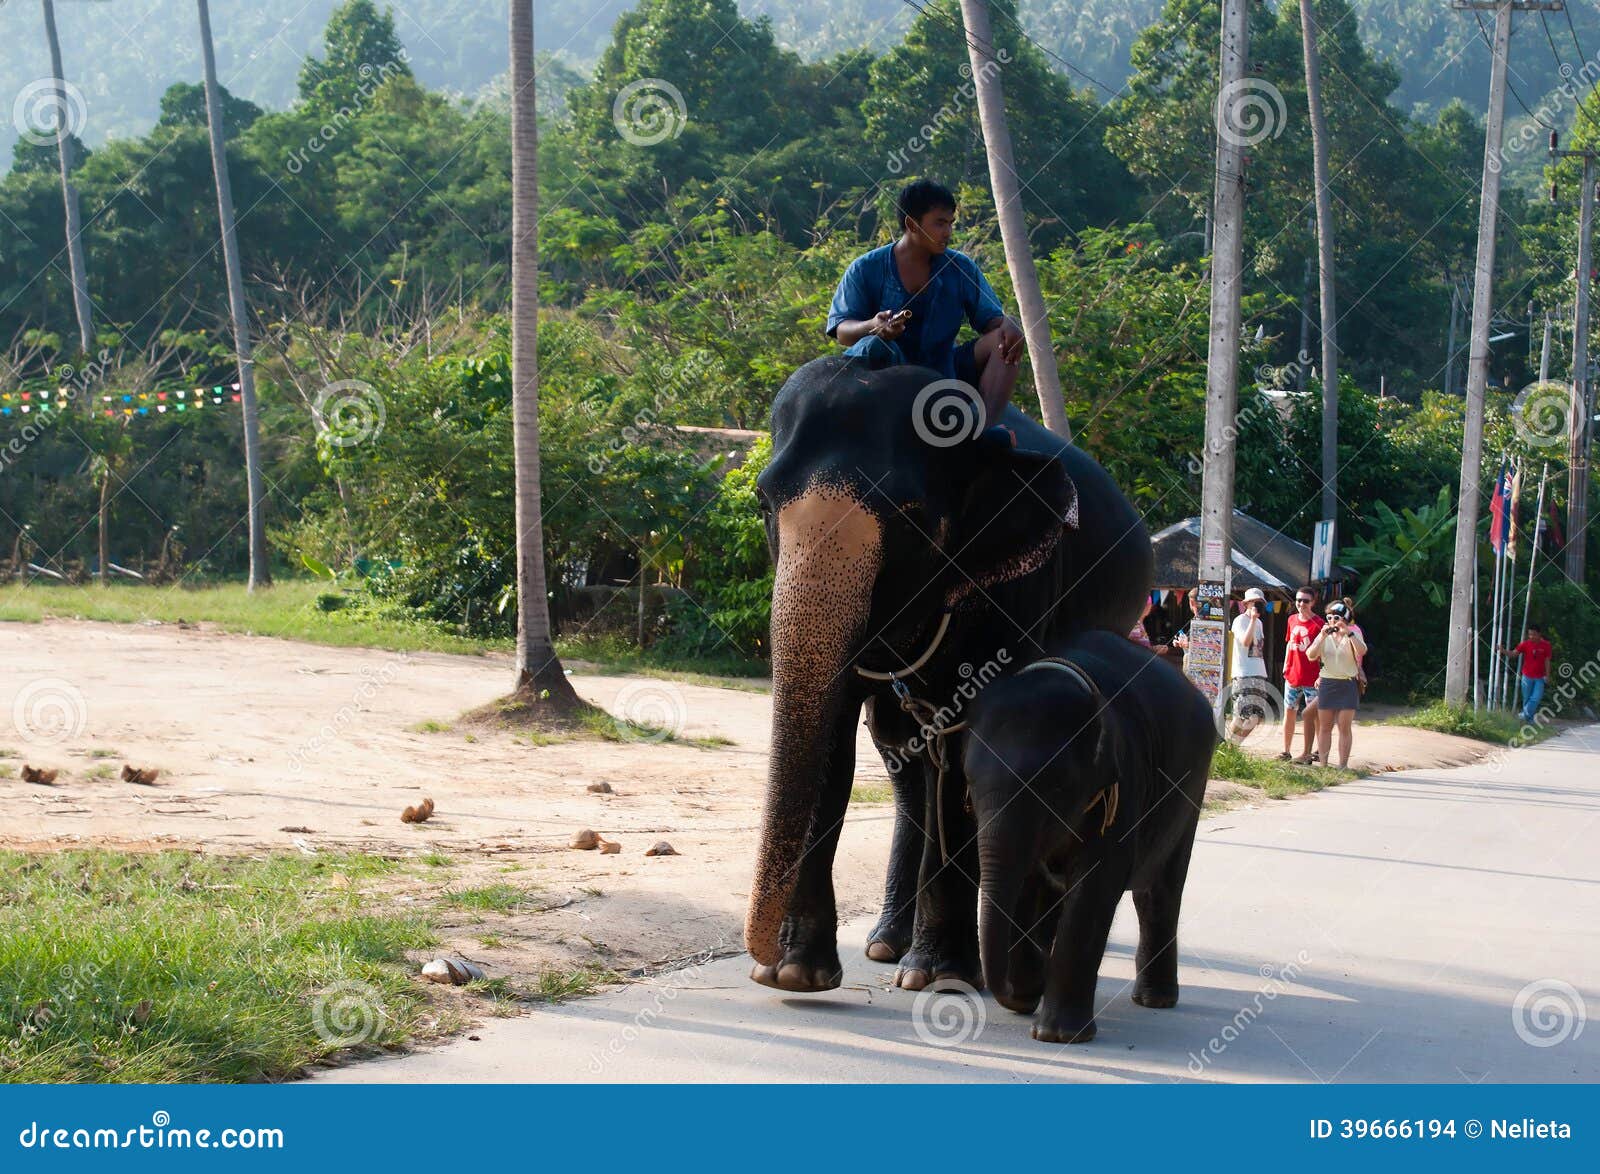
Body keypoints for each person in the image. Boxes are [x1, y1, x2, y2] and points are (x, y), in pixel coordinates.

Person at [827, 178, 1025, 424]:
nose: (948, 233)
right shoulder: (865, 268)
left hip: (944, 373)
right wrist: (873, 327)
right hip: (887, 375)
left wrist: (1010, 323)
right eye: (939, 224)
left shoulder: (961, 267)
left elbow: (992, 322)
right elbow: (842, 332)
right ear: (912, 224)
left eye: (951, 223)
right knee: (873, 346)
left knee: (1004, 341)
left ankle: (983, 427)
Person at [1306, 599, 1366, 769]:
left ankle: (1343, 765)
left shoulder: (1353, 632)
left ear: (1344, 618)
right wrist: (1322, 636)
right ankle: (1323, 764)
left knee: (1344, 726)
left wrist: (1348, 633)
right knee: (1325, 727)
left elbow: (1362, 651)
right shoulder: (1324, 634)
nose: (1332, 621)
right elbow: (1310, 654)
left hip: (1348, 683)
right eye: (1329, 617)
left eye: (1336, 617)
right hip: (1327, 683)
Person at [1281, 585, 1323, 763]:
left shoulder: (1320, 624)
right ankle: (1286, 751)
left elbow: (1324, 652)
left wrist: (1322, 674)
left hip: (1312, 678)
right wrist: (1285, 665)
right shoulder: (1291, 620)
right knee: (1289, 711)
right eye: (1298, 600)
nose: (1301, 604)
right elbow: (1289, 643)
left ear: (1313, 602)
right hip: (1292, 674)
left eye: (1305, 600)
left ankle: (1319, 749)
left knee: (1314, 716)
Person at [1228, 588, 1270, 741]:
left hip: (1259, 672)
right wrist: (1252, 619)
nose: (1256, 606)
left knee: (1256, 716)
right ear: (1246, 604)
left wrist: (1255, 620)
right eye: (1254, 602)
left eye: (1259, 603)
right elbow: (1245, 642)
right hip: (1243, 672)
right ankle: (1228, 747)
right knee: (1240, 715)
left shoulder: (1259, 622)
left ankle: (1235, 745)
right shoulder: (1240, 620)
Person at [1500, 623, 1554, 722]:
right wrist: (1503, 651)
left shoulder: (1546, 645)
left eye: (1534, 634)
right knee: (1527, 699)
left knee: (1536, 698)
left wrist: (1547, 675)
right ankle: (1529, 721)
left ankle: (1523, 715)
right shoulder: (1525, 644)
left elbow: (1547, 661)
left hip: (1540, 677)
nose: (1531, 637)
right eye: (1530, 634)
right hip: (1527, 676)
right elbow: (1513, 654)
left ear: (1539, 634)